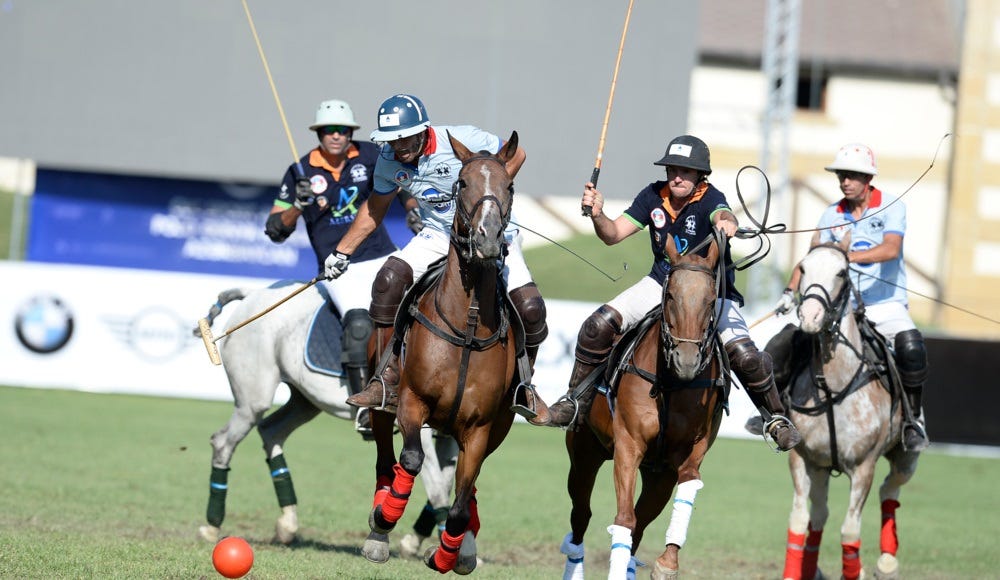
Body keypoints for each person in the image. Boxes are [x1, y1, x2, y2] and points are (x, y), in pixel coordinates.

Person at [544, 134, 802, 451]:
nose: (677, 176)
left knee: (746, 355)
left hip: (710, 291)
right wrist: (598, 214)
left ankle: (775, 418)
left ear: (700, 176)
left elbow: (723, 214)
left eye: (686, 171)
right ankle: (575, 403)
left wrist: (728, 222)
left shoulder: (710, 198)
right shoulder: (652, 196)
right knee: (597, 327)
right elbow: (612, 235)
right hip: (662, 284)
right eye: (673, 170)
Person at [324, 93, 550, 424]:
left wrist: (494, 198)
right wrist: (342, 251)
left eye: (404, 138)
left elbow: (518, 154)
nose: (398, 147)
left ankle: (523, 387)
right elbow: (375, 208)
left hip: (491, 232)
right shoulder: (389, 162)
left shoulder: (462, 138)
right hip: (438, 234)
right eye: (391, 140)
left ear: (423, 130)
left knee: (531, 309)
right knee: (387, 280)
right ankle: (385, 378)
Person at [264, 98, 421, 438]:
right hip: (339, 265)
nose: (336, 136)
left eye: (343, 130)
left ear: (351, 132)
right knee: (359, 322)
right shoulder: (299, 171)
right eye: (329, 130)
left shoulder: (370, 156)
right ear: (319, 133)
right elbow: (275, 229)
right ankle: (365, 409)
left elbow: (403, 183)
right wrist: (297, 205)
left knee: (422, 308)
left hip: (380, 252)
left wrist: (412, 209)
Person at [768, 143, 929, 451]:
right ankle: (775, 413)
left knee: (911, 346)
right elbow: (813, 258)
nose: (845, 181)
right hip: (840, 309)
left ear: (869, 179)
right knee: (788, 342)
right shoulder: (831, 214)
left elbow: (891, 249)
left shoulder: (892, 207)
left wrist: (847, 257)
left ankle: (912, 420)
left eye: (853, 176)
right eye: (842, 175)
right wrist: (791, 291)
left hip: (885, 304)